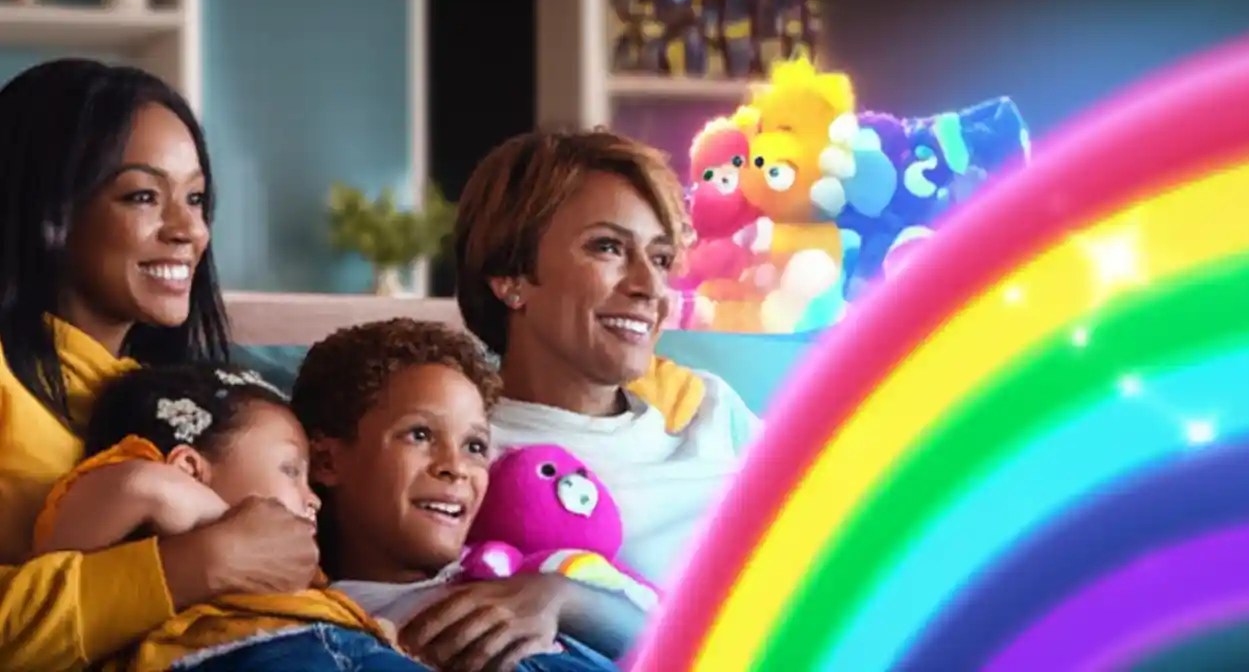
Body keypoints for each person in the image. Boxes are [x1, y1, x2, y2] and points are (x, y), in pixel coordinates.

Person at [0, 59, 318, 670]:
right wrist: (192, 566)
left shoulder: (210, 399)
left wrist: (553, 596)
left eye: (197, 199)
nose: (189, 230)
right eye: (143, 195)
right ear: (47, 211)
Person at [452, 131, 759, 591]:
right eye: (608, 247)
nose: (650, 287)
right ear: (511, 276)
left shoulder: (708, 407)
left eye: (659, 258)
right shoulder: (459, 453)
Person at [34, 363, 424, 671]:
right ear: (188, 469)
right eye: (290, 470)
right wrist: (216, 520)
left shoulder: (304, 578)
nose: (314, 500)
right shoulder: (133, 494)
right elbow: (135, 486)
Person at [293, 318, 628, 672]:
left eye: (475, 446)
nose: (457, 466)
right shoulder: (330, 631)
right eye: (419, 435)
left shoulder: (510, 575)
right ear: (327, 461)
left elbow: (670, 642)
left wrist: (559, 598)